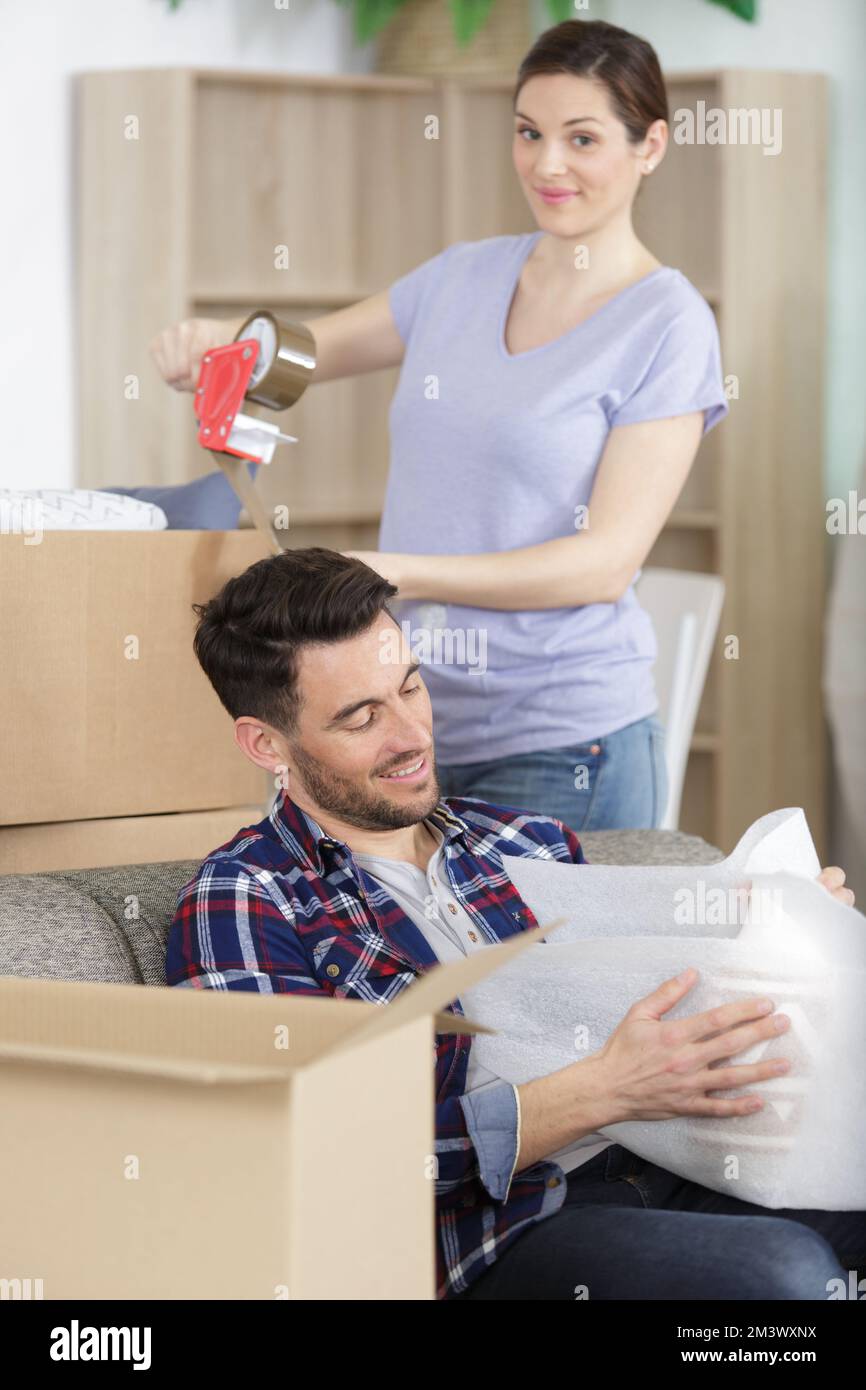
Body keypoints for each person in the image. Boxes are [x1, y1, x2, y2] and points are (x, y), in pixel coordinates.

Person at [165, 545, 861, 1301]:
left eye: (411, 688)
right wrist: (602, 1092)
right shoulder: (246, 898)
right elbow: (310, 1151)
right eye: (362, 717)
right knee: (784, 1278)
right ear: (266, 742)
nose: (410, 735)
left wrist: (785, 941)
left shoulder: (525, 843)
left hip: (669, 1159)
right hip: (500, 1231)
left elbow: (653, 1005)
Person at [150, 20, 728, 833]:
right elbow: (300, 358)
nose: (547, 164)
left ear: (652, 145)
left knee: (530, 965)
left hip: (560, 745)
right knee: (419, 961)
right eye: (529, 133)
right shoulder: (464, 275)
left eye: (582, 138)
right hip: (409, 728)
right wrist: (223, 348)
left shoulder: (667, 325)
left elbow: (603, 564)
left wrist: (395, 572)